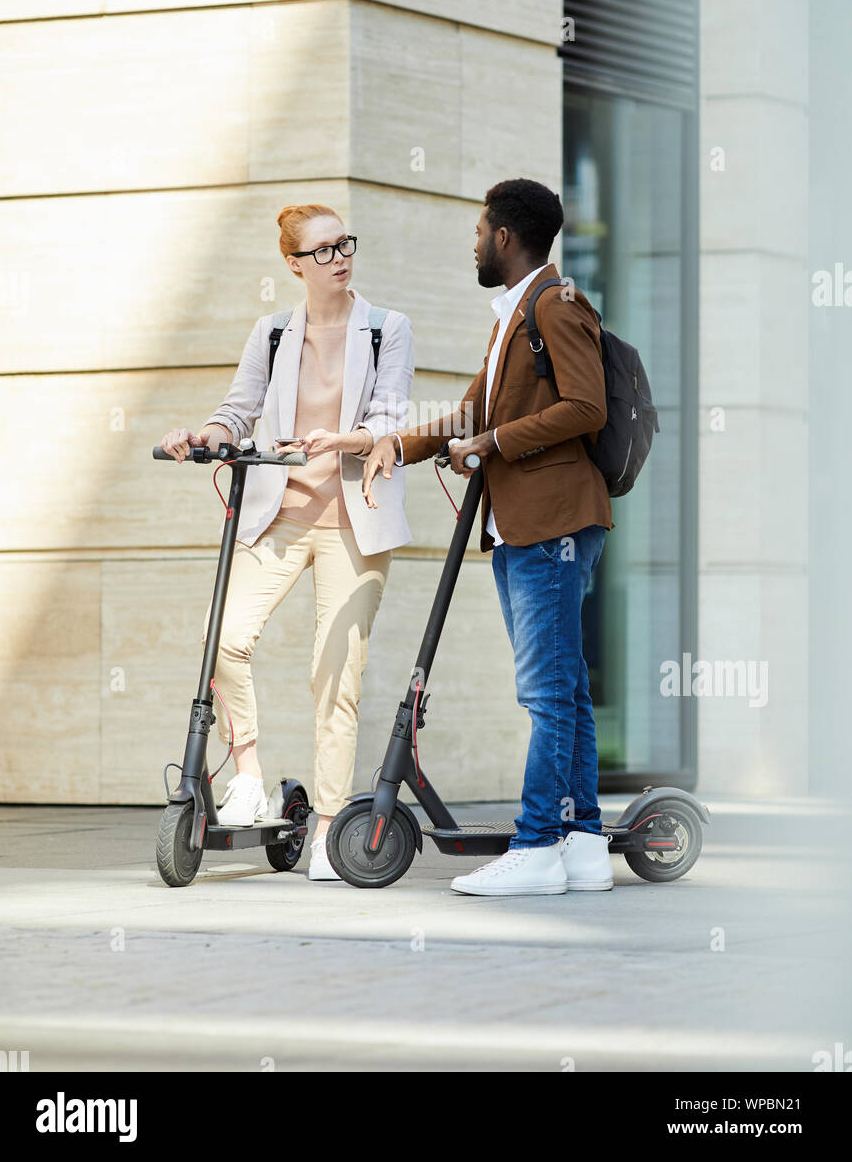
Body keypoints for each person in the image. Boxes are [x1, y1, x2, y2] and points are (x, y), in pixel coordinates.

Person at [362, 178, 613, 896]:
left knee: (544, 692)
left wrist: (493, 443)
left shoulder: (555, 306)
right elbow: (469, 410)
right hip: (525, 526)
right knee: (564, 689)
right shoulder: (515, 315)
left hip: (553, 525)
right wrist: (397, 446)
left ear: (504, 236)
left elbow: (586, 408)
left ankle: (537, 847)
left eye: (478, 231)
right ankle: (583, 840)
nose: (472, 242)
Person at [160, 204, 413, 880]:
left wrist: (349, 439)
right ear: (294, 264)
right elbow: (237, 409)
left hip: (355, 521)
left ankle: (331, 826)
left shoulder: (388, 329)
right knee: (227, 639)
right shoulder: (272, 334)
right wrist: (202, 437)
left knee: (336, 674)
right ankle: (248, 775)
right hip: (280, 514)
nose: (340, 258)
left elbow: (391, 418)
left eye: (344, 245)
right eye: (323, 250)